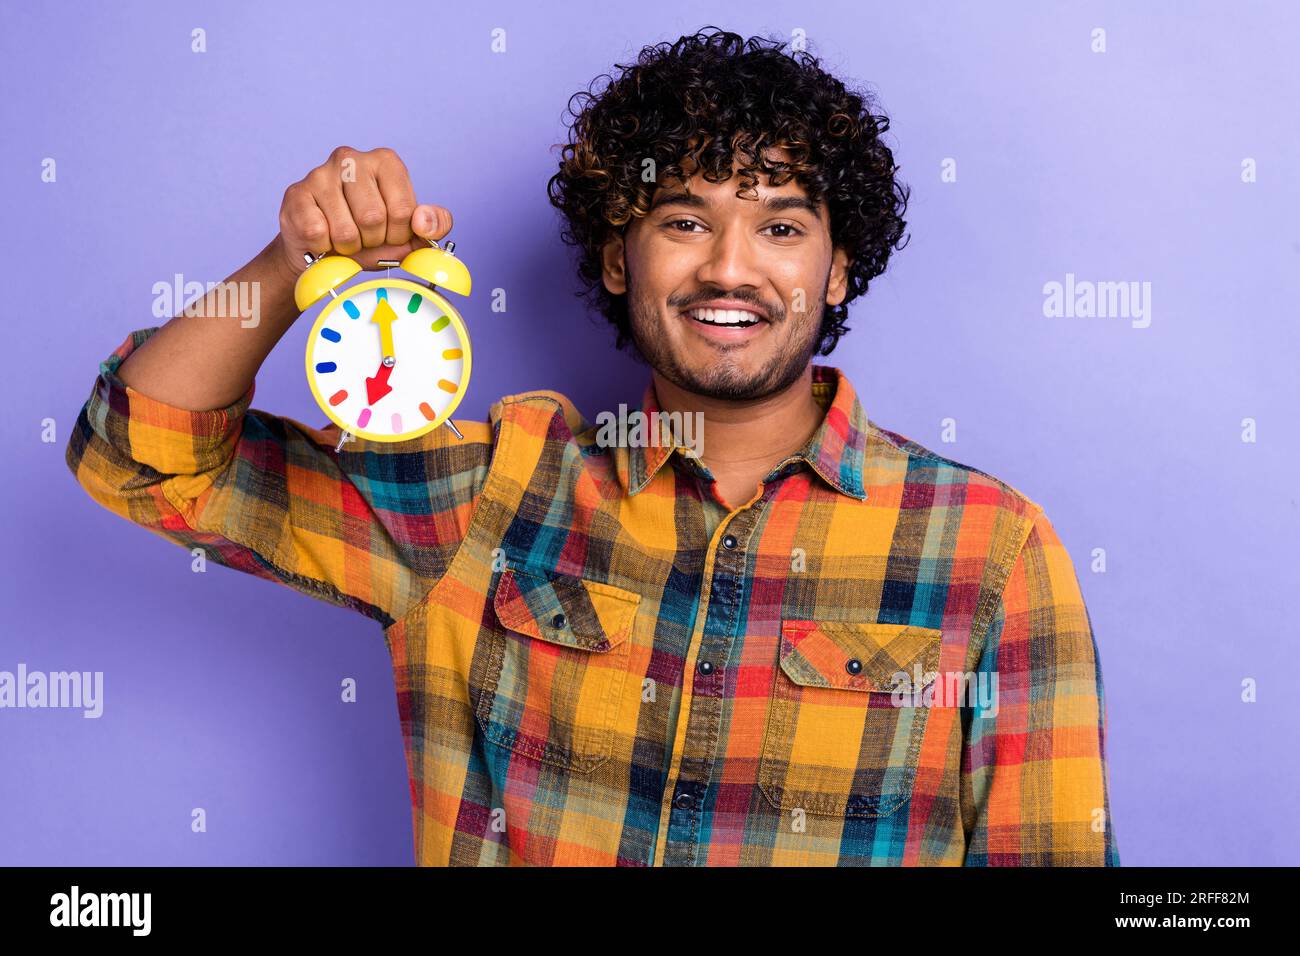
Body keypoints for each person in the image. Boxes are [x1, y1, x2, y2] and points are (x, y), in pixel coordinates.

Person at [66, 27, 1118, 866]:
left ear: (839, 270)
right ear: (618, 259)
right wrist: (293, 258)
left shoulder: (989, 551)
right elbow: (139, 454)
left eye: (783, 228)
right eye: (684, 221)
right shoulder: (485, 494)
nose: (729, 269)